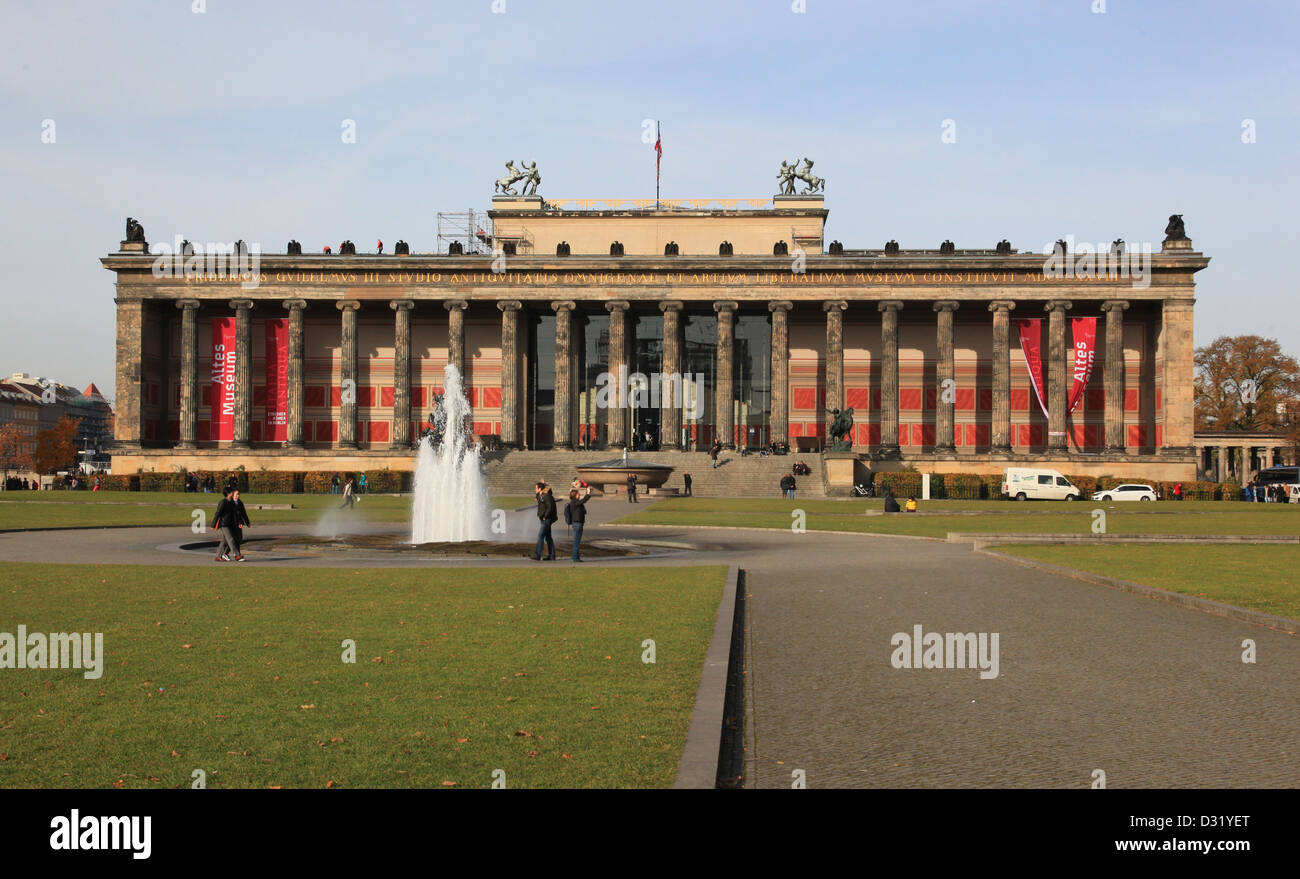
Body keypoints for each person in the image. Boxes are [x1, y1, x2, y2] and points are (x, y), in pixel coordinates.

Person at [210, 488, 245, 562]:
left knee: (224, 541)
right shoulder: (223, 502)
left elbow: (235, 514)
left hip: (231, 524)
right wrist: (213, 525)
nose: (233, 493)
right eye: (232, 492)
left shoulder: (232, 502)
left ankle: (218, 556)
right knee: (231, 539)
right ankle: (237, 555)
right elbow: (218, 513)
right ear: (229, 493)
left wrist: (239, 523)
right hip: (224, 524)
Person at [532, 481, 557, 561]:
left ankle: (537, 555)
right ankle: (552, 555)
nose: (535, 489)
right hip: (543, 519)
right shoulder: (540, 495)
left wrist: (545, 516)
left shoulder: (547, 496)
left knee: (540, 536)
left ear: (540, 489)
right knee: (548, 537)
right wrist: (544, 485)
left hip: (546, 519)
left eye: (536, 488)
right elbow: (537, 496)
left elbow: (550, 507)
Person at [566, 486, 592, 562]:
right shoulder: (574, 502)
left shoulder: (574, 502)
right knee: (576, 542)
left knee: (576, 541)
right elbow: (584, 500)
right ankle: (575, 558)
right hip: (577, 523)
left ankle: (575, 557)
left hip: (576, 523)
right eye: (578, 494)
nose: (579, 495)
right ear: (575, 496)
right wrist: (588, 493)